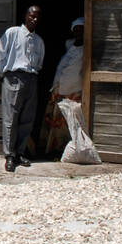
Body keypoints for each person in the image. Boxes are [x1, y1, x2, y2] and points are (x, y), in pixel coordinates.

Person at [0, 5, 44, 172]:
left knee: (27, 119)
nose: (34, 19)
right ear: (25, 15)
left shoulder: (39, 41)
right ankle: (9, 156)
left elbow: (39, 63)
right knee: (10, 118)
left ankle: (20, 152)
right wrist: (4, 74)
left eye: (37, 17)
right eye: (31, 15)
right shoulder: (12, 33)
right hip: (13, 77)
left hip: (31, 78)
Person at [44, 16, 86, 159]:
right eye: (76, 30)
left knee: (71, 121)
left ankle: (72, 149)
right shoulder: (70, 45)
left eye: (81, 30)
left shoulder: (87, 48)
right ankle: (56, 149)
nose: (78, 33)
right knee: (57, 122)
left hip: (75, 90)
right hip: (59, 87)